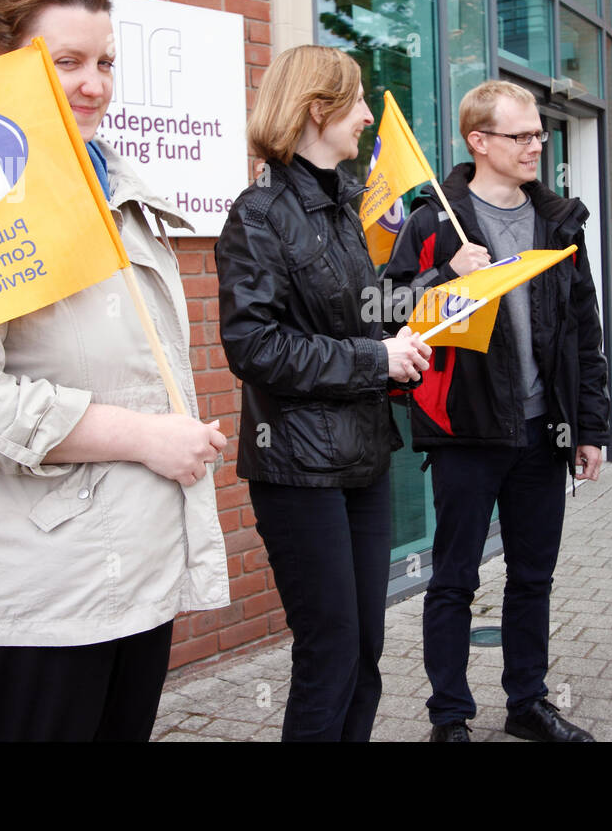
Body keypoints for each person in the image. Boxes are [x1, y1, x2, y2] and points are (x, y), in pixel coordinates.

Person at [0, 0, 231, 741]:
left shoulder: (115, 188)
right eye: (66, 63)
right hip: (34, 603)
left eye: (105, 62)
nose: (94, 85)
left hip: (128, 583)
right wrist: (145, 437)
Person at [383, 80, 611, 742]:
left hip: (544, 433)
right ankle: (449, 717)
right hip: (466, 431)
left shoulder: (561, 222)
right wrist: (445, 275)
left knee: (531, 577)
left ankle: (527, 705)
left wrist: (590, 427)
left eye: (538, 134)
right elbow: (389, 311)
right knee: (453, 578)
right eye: (521, 136)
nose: (536, 145)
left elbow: (584, 331)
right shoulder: (434, 221)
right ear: (479, 141)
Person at [215, 46, 431, 741]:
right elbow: (255, 348)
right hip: (299, 470)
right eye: (358, 100)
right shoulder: (258, 215)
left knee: (365, 651)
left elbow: (360, 312)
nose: (368, 116)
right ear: (318, 110)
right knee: (330, 654)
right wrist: (377, 359)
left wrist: (434, 303)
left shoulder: (343, 208)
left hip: (364, 459)